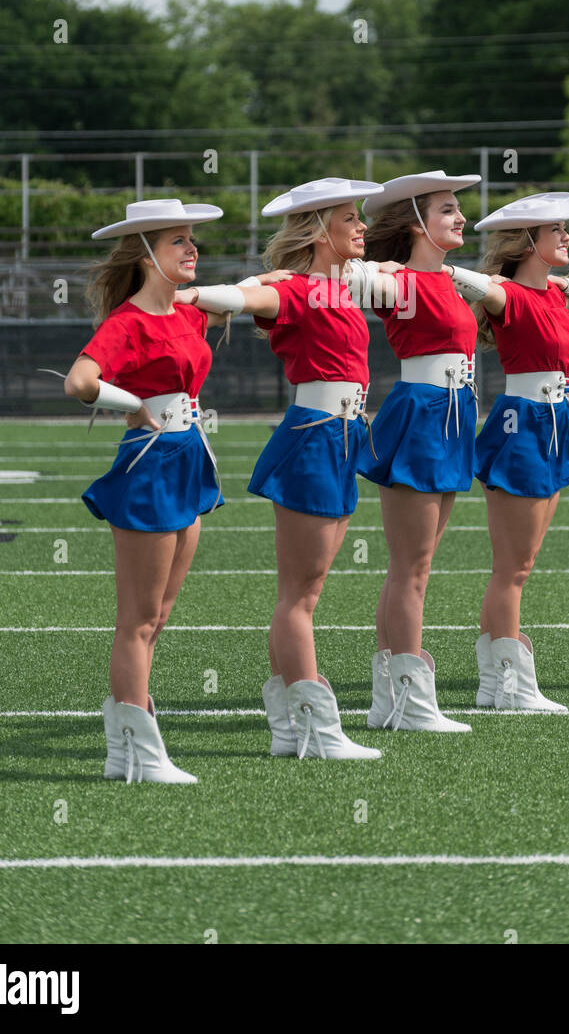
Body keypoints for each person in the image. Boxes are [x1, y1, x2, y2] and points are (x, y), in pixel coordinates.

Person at [189, 177, 404, 759]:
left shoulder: (341, 286)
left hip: (342, 437)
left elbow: (411, 277)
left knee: (307, 591)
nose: (362, 226)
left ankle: (292, 725)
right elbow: (237, 300)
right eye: (350, 218)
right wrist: (203, 294)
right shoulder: (292, 288)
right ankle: (313, 726)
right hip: (313, 440)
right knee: (300, 596)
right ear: (318, 230)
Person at [61, 198, 225, 784]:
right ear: (148, 254)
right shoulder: (125, 322)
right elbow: (80, 382)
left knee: (158, 615)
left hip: (189, 458)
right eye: (178, 241)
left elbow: (236, 297)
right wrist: (134, 406)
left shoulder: (188, 312)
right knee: (136, 618)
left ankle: (135, 739)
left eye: (191, 239)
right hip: (151, 464)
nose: (192, 249)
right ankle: (131, 747)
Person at [463, 192, 569, 712]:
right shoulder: (505, 293)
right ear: (529, 241)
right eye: (556, 230)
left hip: (555, 424)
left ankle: (494, 681)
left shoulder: (555, 293)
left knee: (519, 563)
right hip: (521, 424)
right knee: (514, 566)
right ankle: (510, 684)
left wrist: (562, 280)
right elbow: (467, 282)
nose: (568, 237)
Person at [357, 170, 483, 734]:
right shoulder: (399, 282)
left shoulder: (447, 281)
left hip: (453, 416)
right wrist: (367, 269)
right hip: (421, 414)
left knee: (414, 566)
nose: (461, 218)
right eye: (448, 210)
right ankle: (409, 699)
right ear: (417, 224)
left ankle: (392, 697)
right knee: (412, 568)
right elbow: (329, 281)